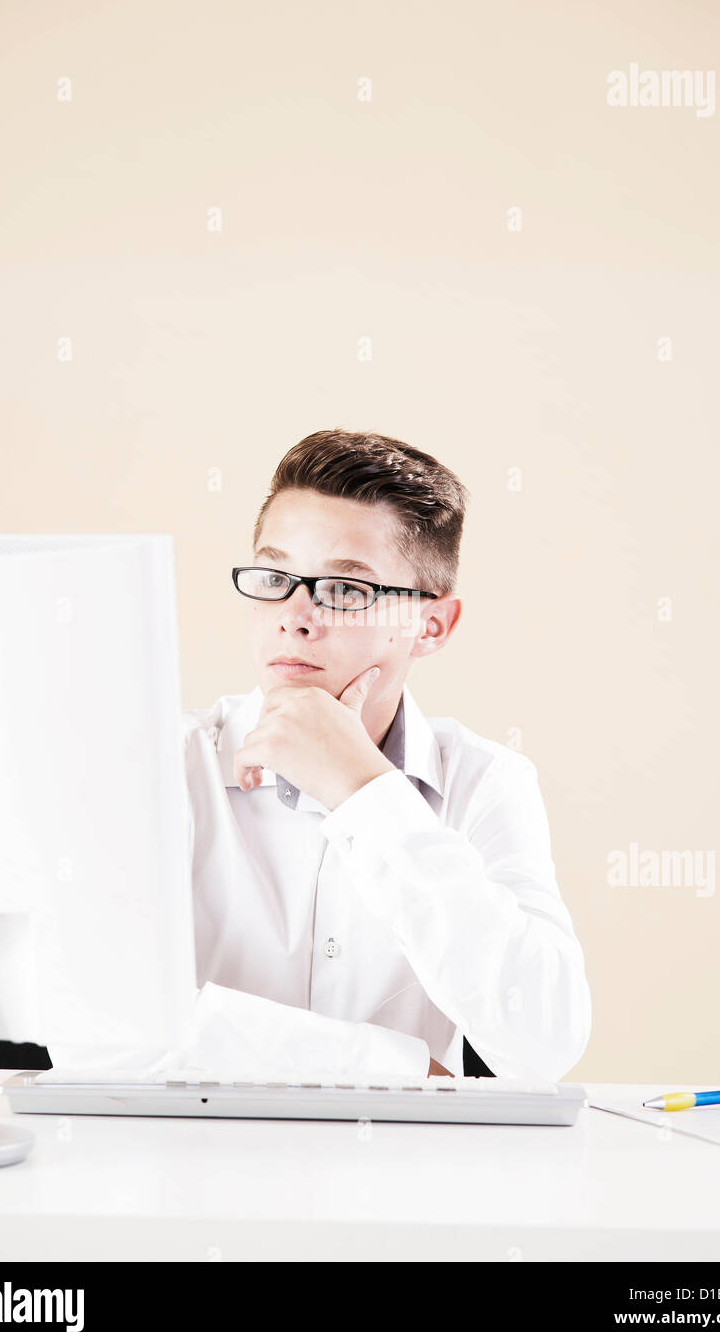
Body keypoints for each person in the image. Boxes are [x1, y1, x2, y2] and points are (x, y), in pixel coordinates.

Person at [179, 429, 591, 1081]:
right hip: (186, 1170)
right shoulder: (171, 766)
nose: (294, 615)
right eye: (275, 575)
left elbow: (544, 1041)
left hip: (403, 1179)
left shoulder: (486, 781)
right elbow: (105, 1026)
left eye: (345, 590)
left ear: (431, 626)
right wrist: (396, 1069)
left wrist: (365, 792)